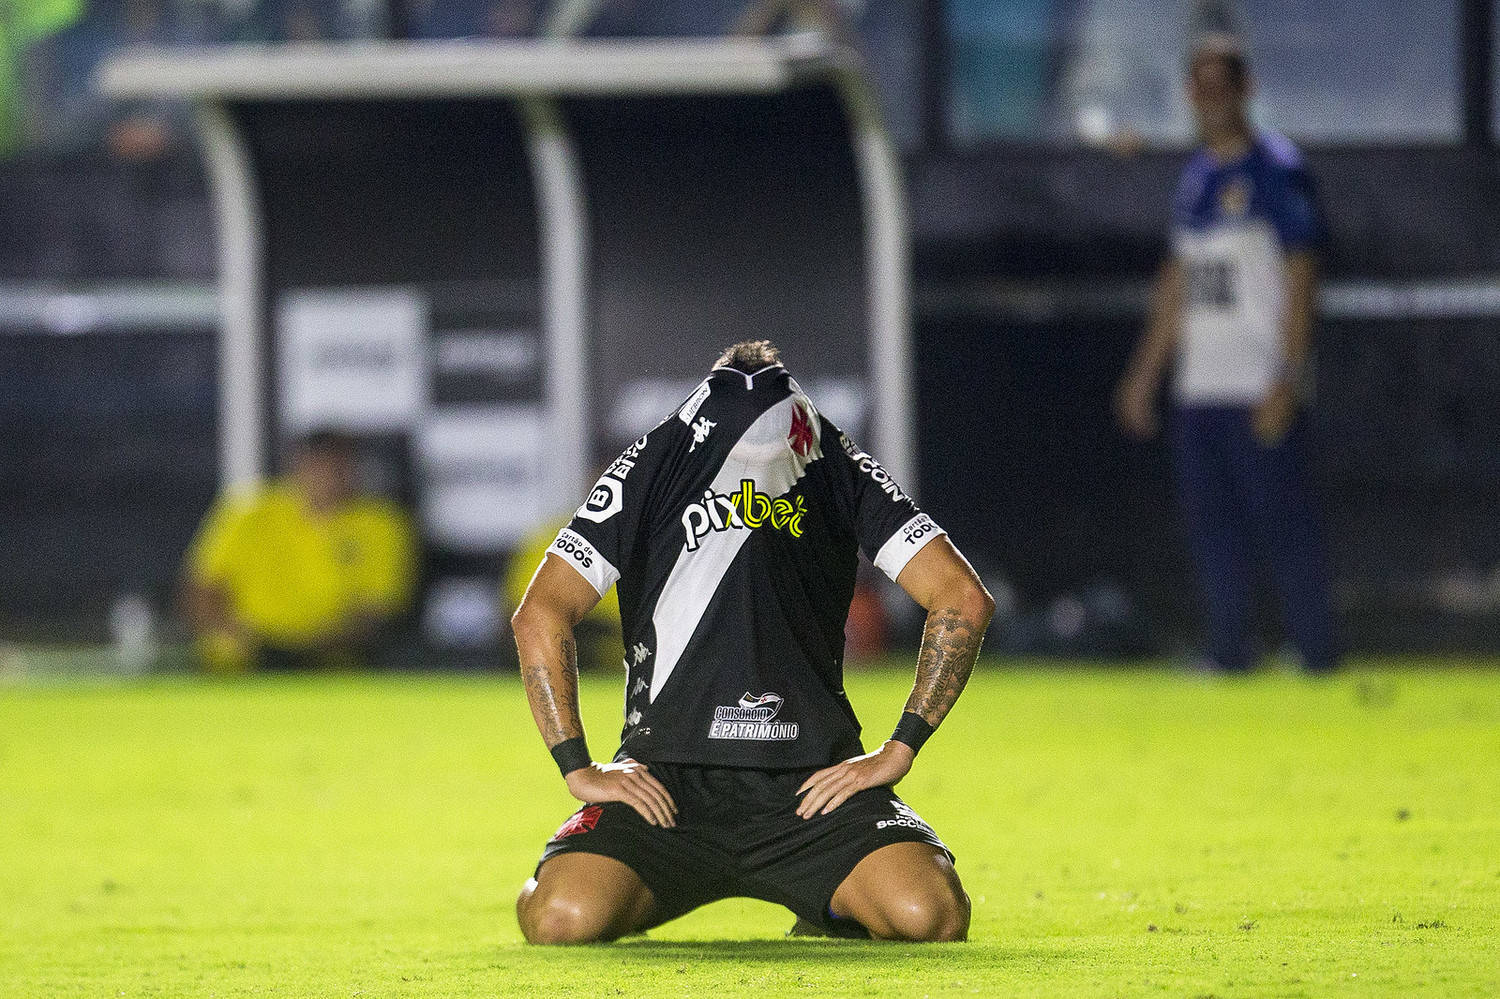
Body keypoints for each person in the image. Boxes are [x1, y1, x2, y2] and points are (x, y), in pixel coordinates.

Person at [511, 340, 994, 943]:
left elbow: (962, 598)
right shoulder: (803, 455)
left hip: (811, 788)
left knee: (931, 915)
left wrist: (899, 750)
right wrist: (577, 768)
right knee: (561, 917)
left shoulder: (801, 459)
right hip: (664, 789)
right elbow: (540, 613)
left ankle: (827, 905)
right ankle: (803, 898)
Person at [1114, 35, 1337, 675]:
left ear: (1245, 90)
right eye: (1200, 87)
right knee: (1213, 527)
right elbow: (1179, 285)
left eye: (1221, 86)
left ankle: (1314, 651)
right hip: (1200, 387)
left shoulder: (1277, 171)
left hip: (1257, 381)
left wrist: (1287, 377)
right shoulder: (1197, 179)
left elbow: (1301, 278)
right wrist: (1144, 377)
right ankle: (1230, 650)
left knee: (1285, 520)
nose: (1209, 100)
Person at [181, 429, 417, 672]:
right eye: (317, 465)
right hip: (245, 660)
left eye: (337, 465)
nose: (327, 475)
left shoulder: (381, 523)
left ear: (354, 470)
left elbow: (378, 610)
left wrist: (309, 644)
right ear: (297, 467)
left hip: (330, 660)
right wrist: (230, 630)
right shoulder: (249, 512)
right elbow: (203, 587)